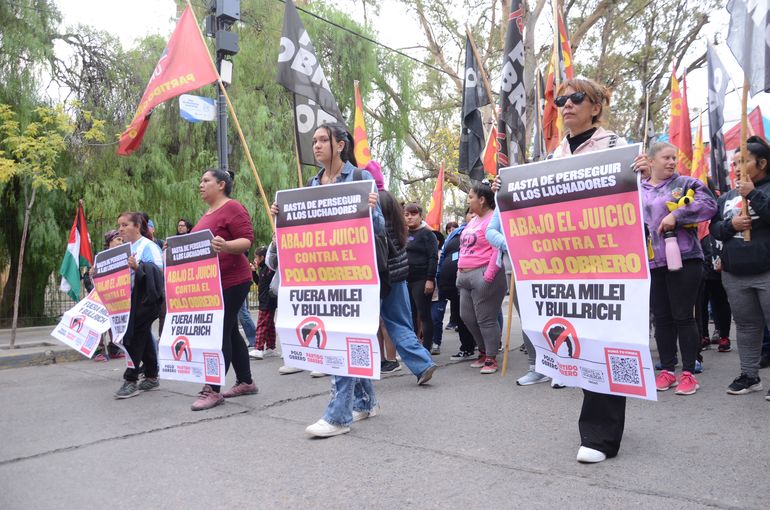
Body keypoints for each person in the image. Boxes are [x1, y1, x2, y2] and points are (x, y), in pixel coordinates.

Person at [293, 123, 384, 437]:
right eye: (314, 140)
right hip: (323, 274)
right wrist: (284, 215)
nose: (316, 146)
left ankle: (338, 417)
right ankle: (365, 402)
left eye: (322, 140)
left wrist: (372, 210)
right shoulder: (312, 183)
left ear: (340, 144)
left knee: (341, 339)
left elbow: (380, 230)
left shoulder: (361, 178)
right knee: (346, 337)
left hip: (355, 275)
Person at [641, 142, 717, 395]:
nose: (672, 162)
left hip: (686, 260)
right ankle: (667, 372)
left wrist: (678, 215)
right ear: (650, 161)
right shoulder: (636, 189)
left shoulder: (686, 183)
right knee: (661, 318)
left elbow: (709, 204)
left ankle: (688, 373)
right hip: (652, 263)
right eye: (666, 158)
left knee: (683, 316)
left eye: (674, 157)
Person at [189, 168, 256, 411]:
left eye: (206, 180)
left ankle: (212, 389)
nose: (201, 184)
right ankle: (246, 381)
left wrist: (226, 245)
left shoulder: (233, 207)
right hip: (213, 283)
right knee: (229, 331)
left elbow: (247, 240)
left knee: (220, 331)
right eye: (201, 180)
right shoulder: (208, 213)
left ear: (221, 184)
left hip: (233, 280)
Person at [709, 136, 770, 398]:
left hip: (766, 271)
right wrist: (730, 226)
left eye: (743, 161)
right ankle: (749, 375)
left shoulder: (761, 191)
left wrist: (753, 194)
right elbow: (715, 229)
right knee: (746, 326)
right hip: (735, 273)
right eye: (733, 163)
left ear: (763, 163)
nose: (736, 167)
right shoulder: (729, 197)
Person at [377, 187, 438, 381]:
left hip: (384, 280)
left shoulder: (380, 228)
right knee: (401, 324)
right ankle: (423, 364)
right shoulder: (397, 227)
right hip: (399, 279)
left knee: (388, 324)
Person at [113, 212, 164, 399]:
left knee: (134, 336)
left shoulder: (147, 246)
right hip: (131, 300)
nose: (121, 229)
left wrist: (138, 267)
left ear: (137, 226)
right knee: (141, 335)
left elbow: (158, 271)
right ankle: (151, 376)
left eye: (125, 225)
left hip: (146, 300)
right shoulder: (125, 248)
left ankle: (131, 380)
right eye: (119, 225)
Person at [457, 182, 506, 374]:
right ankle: (483, 350)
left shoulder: (494, 218)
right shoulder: (473, 220)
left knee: (486, 318)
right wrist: (458, 271)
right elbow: (464, 247)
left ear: (482, 199)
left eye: (470, 197)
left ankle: (491, 357)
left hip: (484, 273)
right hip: (464, 275)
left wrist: (489, 274)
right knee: (467, 317)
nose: (468, 200)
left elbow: (496, 248)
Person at [437, 210, 476, 360]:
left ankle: (486, 348)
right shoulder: (456, 234)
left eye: (475, 212)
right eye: (469, 213)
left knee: (477, 317)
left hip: (474, 280)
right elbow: (445, 256)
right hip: (452, 284)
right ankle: (467, 347)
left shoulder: (484, 229)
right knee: (461, 317)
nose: (472, 215)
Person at [404, 203, 439, 350]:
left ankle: (426, 348)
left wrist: (430, 279)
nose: (410, 217)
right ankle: (414, 347)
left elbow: (433, 257)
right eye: (406, 215)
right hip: (406, 280)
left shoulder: (427, 234)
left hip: (422, 279)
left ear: (420, 216)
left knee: (424, 314)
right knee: (411, 316)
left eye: (413, 214)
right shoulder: (404, 233)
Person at [248, 247, 279, 359]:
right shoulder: (263, 269)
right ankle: (271, 347)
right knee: (269, 325)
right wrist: (254, 272)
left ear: (262, 257)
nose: (255, 259)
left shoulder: (269, 269)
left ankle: (258, 348)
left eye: (256, 257)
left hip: (267, 301)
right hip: (266, 300)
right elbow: (260, 284)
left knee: (261, 325)